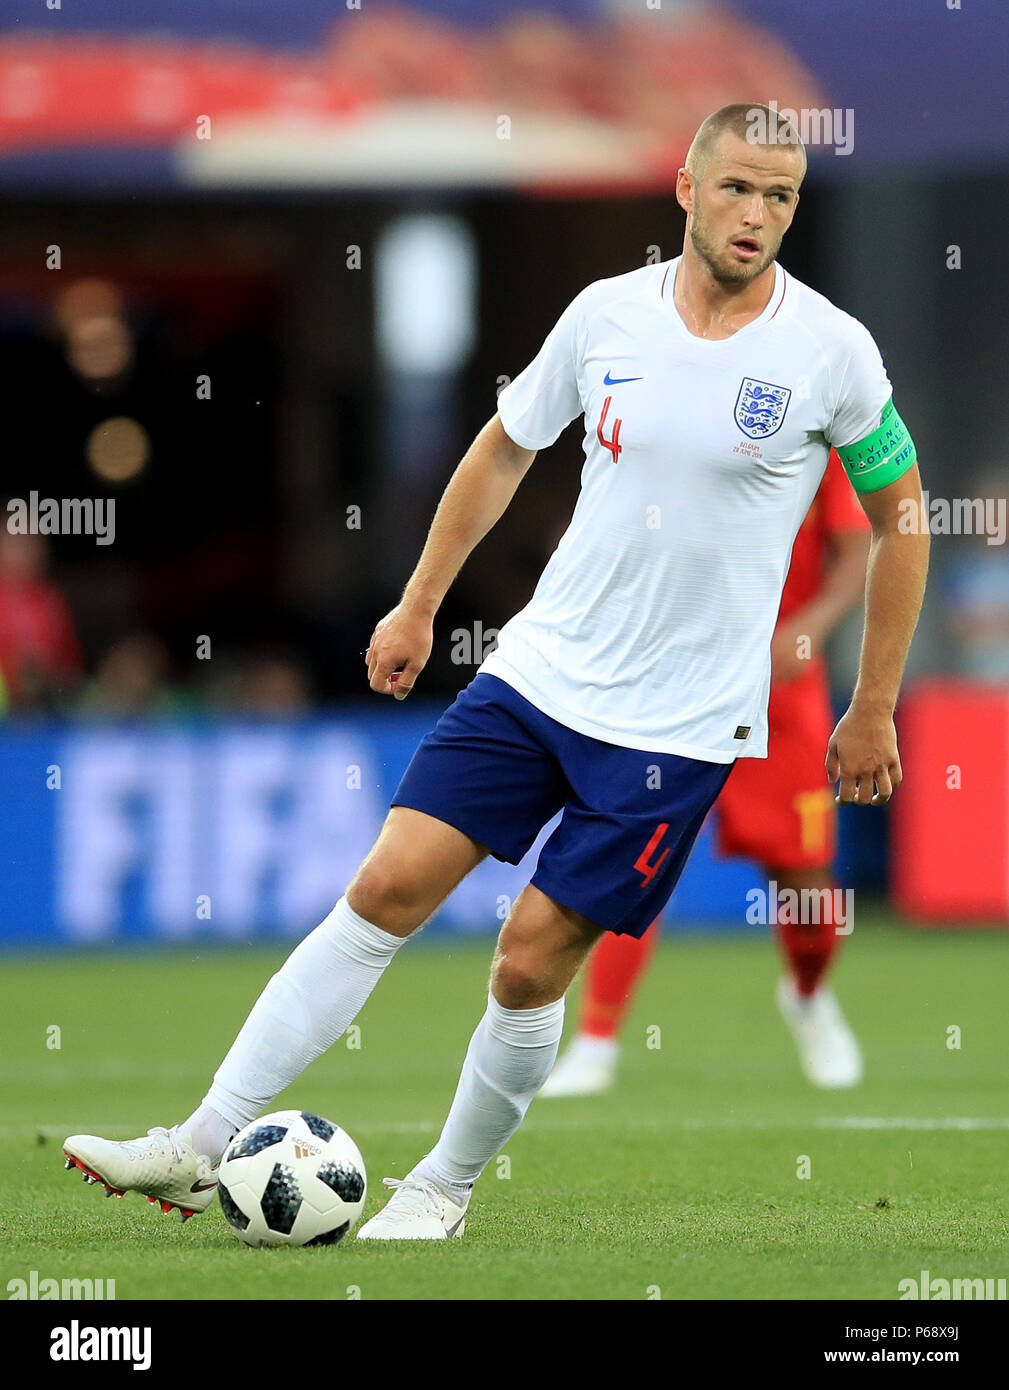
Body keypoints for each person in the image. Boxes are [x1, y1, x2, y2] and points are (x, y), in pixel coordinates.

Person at [64, 104, 928, 1238]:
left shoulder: (831, 351)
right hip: (539, 673)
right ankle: (201, 1139)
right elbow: (505, 445)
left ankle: (443, 1187)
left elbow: (903, 517)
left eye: (780, 196)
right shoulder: (604, 314)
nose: (757, 214)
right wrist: (419, 601)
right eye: (737, 189)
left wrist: (870, 704)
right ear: (685, 187)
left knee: (526, 964)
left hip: (675, 728)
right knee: (384, 886)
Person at [542, 450, 871, 1098]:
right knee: (634, 859)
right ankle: (595, 1041)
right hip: (672, 684)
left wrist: (807, 629)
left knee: (803, 881)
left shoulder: (813, 443)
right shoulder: (672, 426)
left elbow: (858, 552)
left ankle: (807, 996)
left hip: (779, 697)